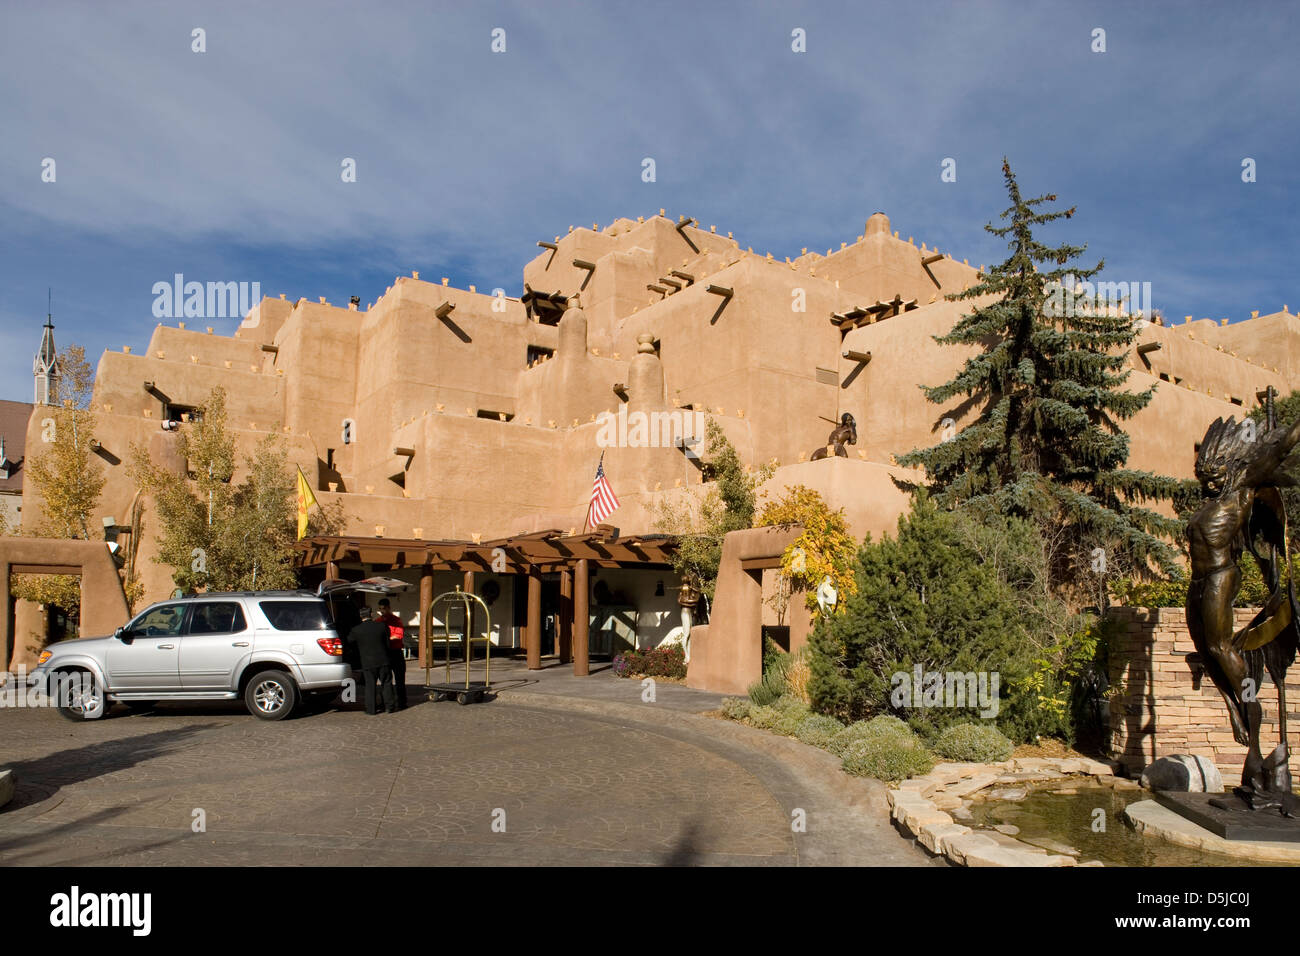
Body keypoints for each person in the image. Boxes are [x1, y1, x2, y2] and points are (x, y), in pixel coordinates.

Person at [346, 604, 396, 715]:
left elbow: (349, 641)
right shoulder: (382, 626)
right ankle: (389, 707)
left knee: (370, 686)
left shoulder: (356, 630)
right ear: (371, 614)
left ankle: (371, 709)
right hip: (383, 660)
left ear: (360, 616)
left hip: (368, 662)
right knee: (386, 683)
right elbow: (388, 643)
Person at [376, 598, 408, 710]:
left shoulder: (396, 620)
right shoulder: (378, 621)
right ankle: (387, 702)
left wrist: (386, 639)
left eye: (384, 609)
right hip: (385, 653)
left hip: (396, 652)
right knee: (385, 680)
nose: (382, 611)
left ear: (389, 608)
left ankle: (402, 703)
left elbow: (398, 635)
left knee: (400, 680)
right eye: (380, 609)